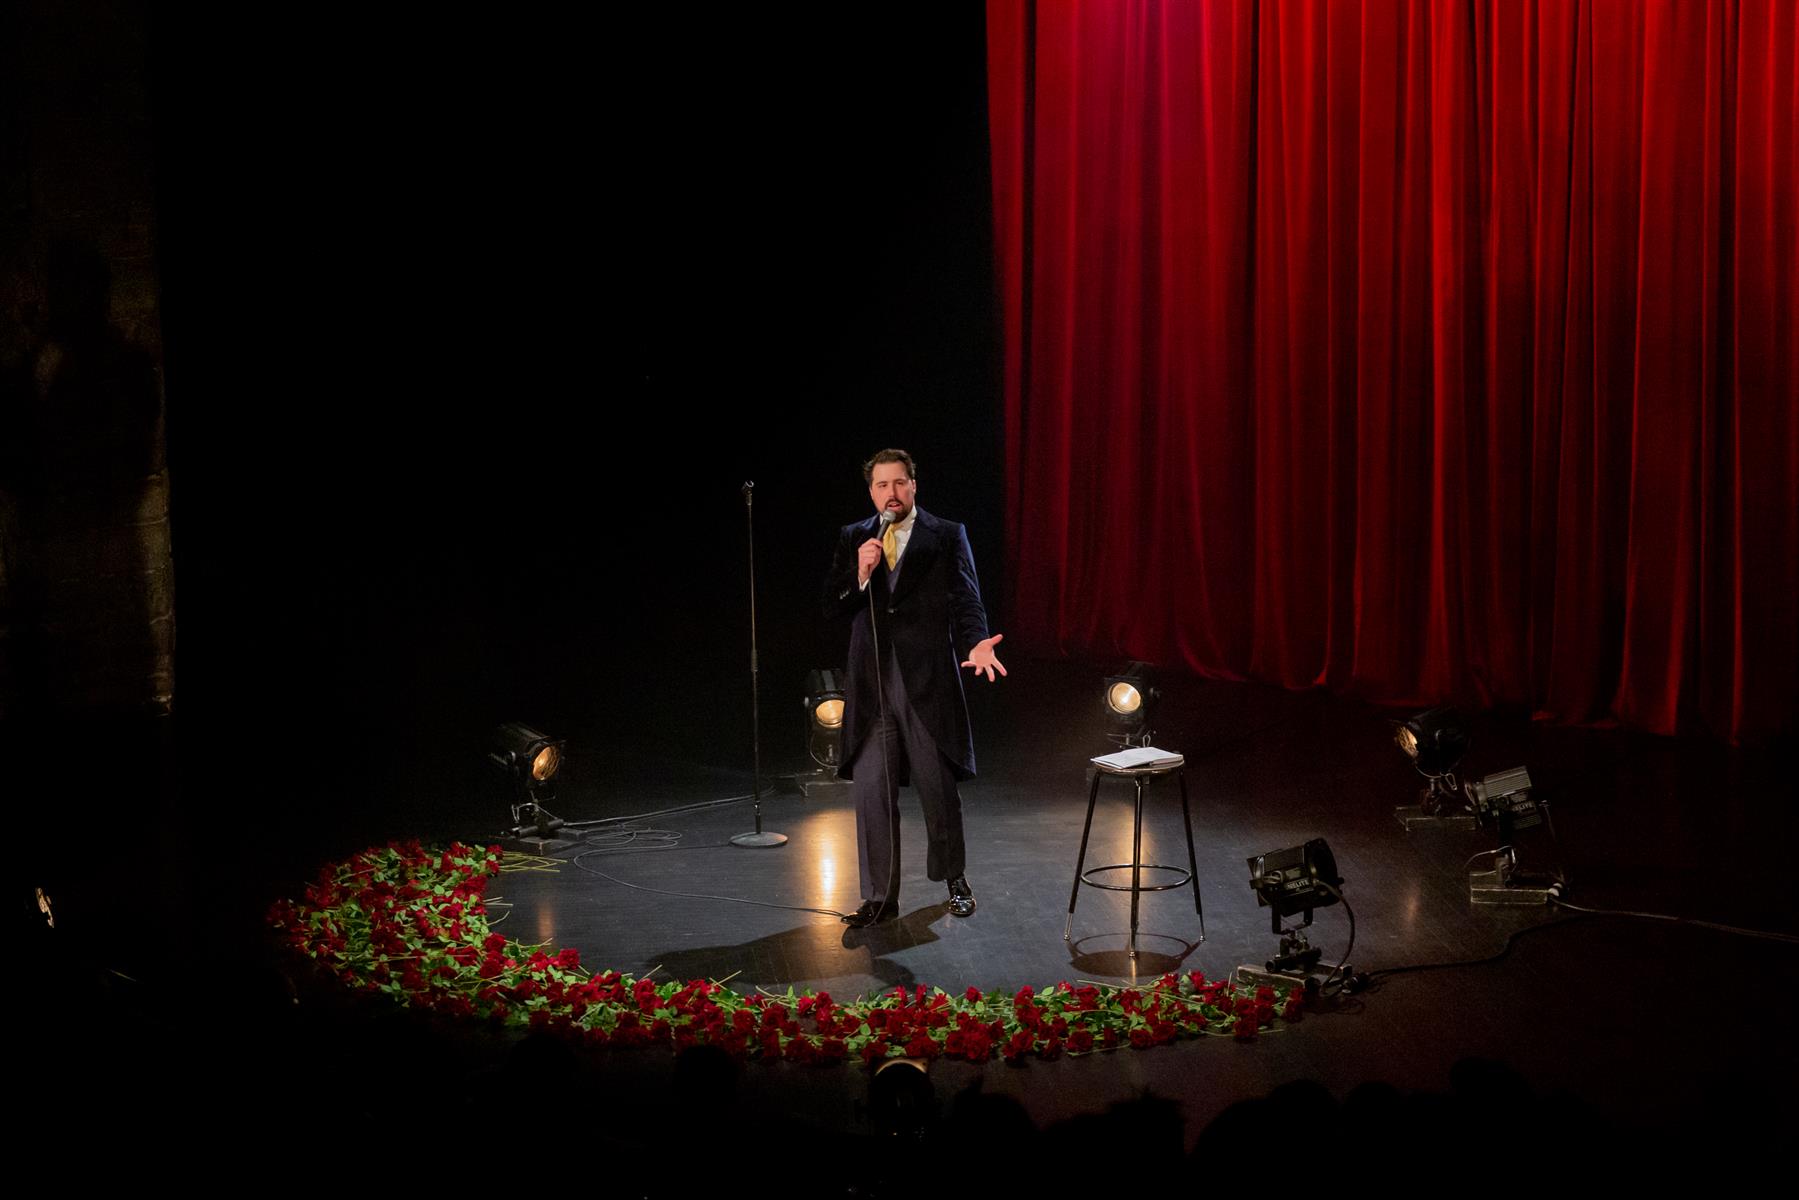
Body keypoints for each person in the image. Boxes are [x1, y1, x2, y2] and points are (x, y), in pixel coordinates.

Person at [823, 448, 1006, 927]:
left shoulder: (945, 535)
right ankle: (879, 898)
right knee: (871, 791)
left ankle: (954, 879)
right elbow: (833, 605)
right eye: (882, 486)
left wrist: (977, 641)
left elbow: (966, 598)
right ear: (871, 492)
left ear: (914, 485)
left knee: (937, 786)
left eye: (899, 483)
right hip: (871, 683)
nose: (892, 493)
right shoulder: (854, 537)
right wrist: (860, 576)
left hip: (926, 680)